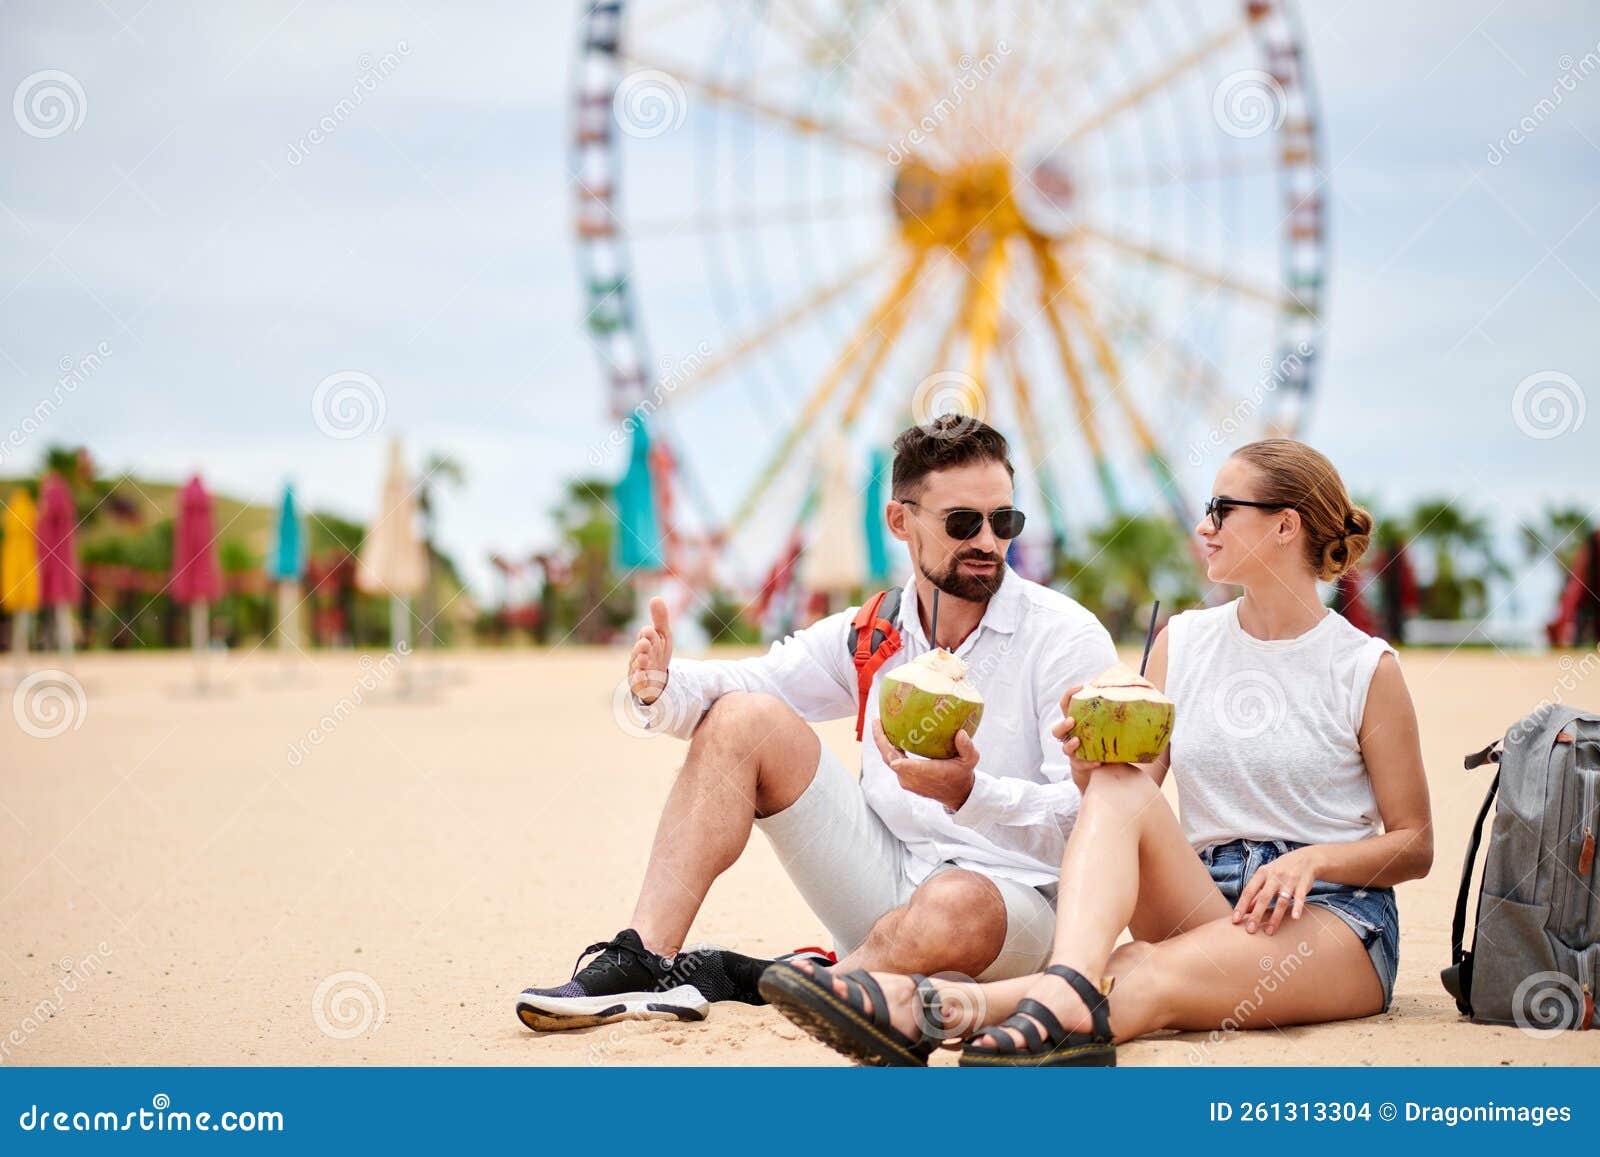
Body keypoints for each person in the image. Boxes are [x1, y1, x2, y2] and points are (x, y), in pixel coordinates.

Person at [764, 439, 1433, 1066]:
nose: (1205, 525)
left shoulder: (1365, 668)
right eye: (1208, 509)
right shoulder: (1184, 641)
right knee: (1114, 789)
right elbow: (1134, 792)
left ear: (1286, 526)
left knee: (1148, 970)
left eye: (1224, 510)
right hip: (1207, 894)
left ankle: (929, 1007)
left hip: (1331, 916)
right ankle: (1069, 981)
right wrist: (1088, 764)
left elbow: (1415, 842)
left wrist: (1314, 860)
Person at [515, 416, 1118, 1030]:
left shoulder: (1064, 639)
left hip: (1012, 914)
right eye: (963, 522)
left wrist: (972, 794)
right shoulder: (875, 631)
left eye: (1004, 521)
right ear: (900, 522)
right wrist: (664, 685)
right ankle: (644, 958)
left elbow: (1093, 826)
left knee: (953, 901)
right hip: (888, 884)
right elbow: (757, 681)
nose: (989, 542)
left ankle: (803, 983)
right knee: (742, 718)